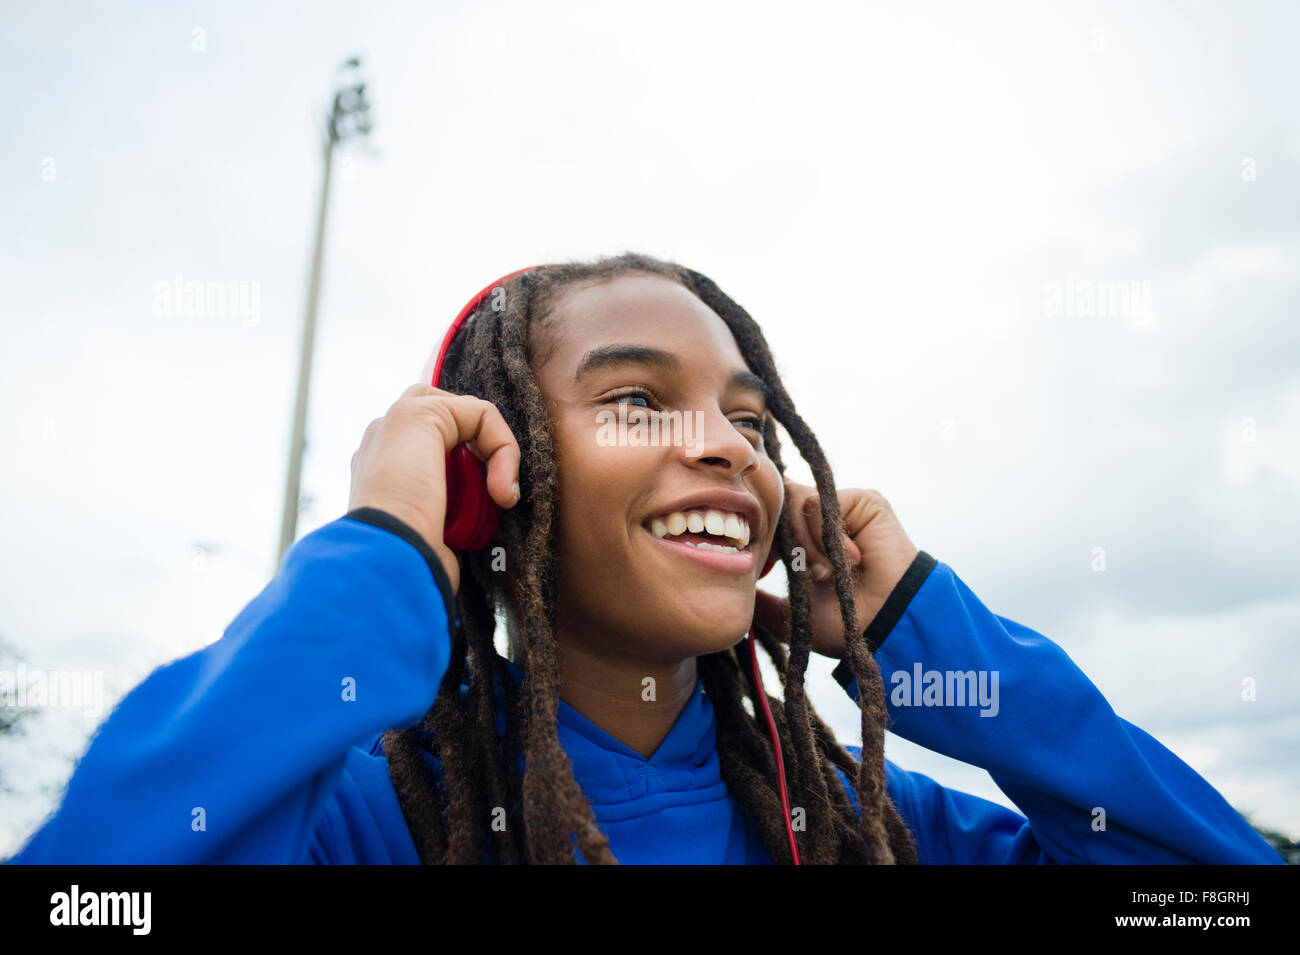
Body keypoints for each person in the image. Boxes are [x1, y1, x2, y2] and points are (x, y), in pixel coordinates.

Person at [10, 253, 1284, 864]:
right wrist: (389, 554)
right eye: (633, 401)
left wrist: (923, 630)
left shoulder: (863, 828)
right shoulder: (377, 822)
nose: (727, 451)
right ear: (493, 482)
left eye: (747, 418)